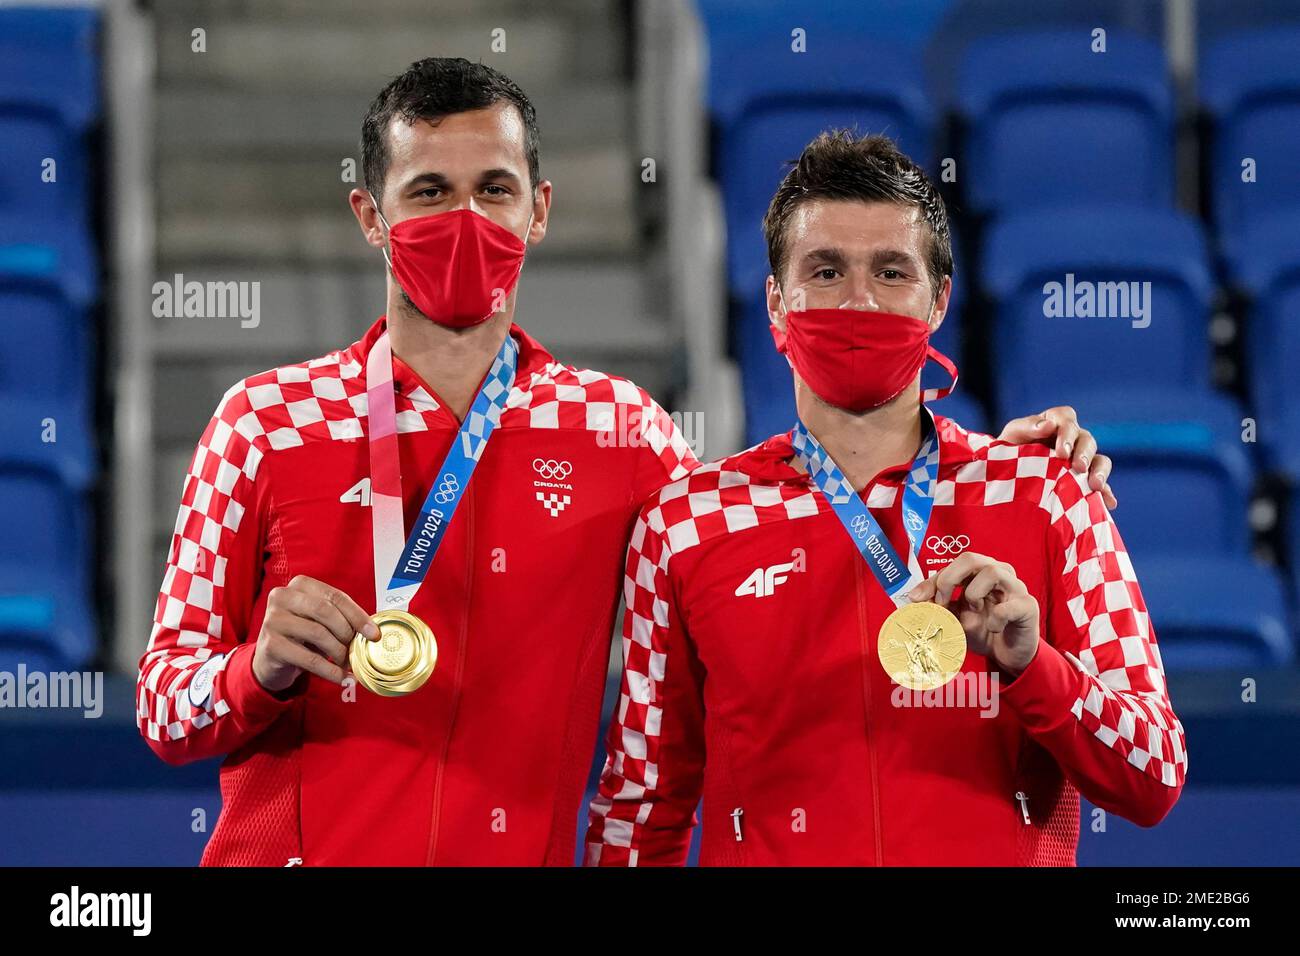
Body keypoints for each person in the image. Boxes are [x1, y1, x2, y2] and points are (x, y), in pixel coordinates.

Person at [137, 60, 1118, 866]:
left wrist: (994, 472)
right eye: (429, 192)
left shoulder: (621, 430)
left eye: (494, 189)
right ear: (369, 214)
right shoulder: (261, 422)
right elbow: (164, 705)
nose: (466, 218)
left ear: (540, 210)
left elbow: (791, 517)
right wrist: (253, 671)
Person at [585, 130, 1183, 866]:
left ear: (939, 302)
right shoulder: (686, 524)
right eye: (826, 271)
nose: (859, 300)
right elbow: (642, 810)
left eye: (892, 272)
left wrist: (1036, 668)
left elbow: (1154, 776)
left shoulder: (1045, 493)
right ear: (775, 303)